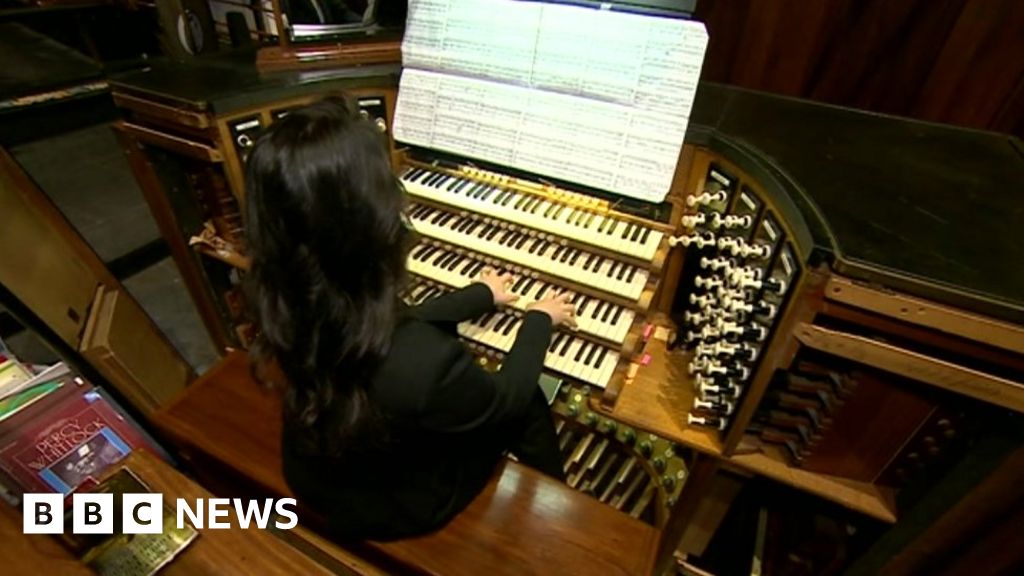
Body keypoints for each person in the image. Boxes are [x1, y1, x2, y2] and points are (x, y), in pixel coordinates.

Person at [243, 96, 575, 541]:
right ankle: (560, 522)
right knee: (529, 399)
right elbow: (504, 400)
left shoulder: (285, 300)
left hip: (314, 474)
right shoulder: (425, 363)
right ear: (367, 221)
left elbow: (376, 332)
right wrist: (538, 319)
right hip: (399, 508)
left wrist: (479, 296)